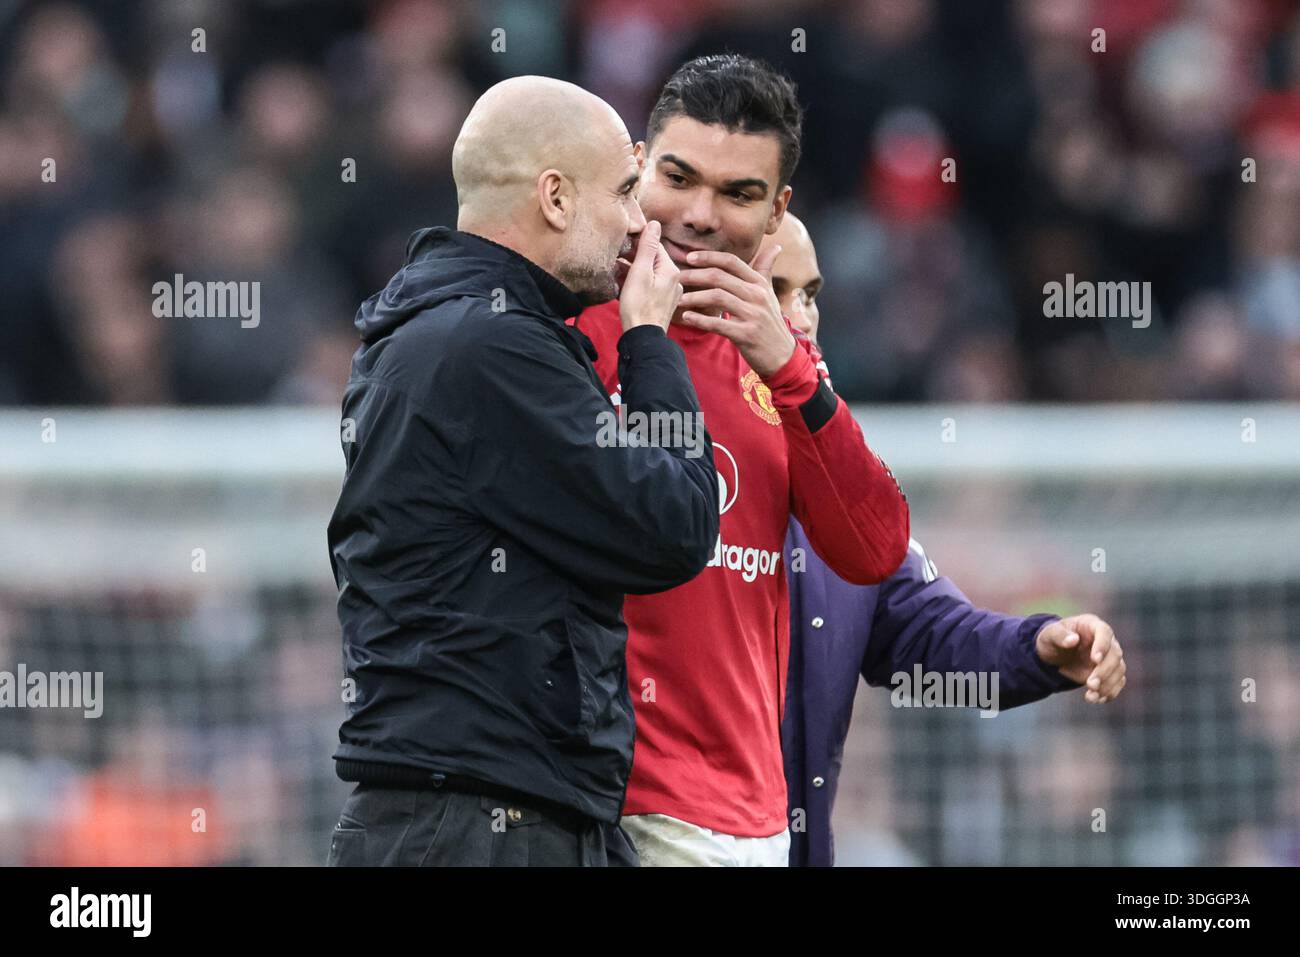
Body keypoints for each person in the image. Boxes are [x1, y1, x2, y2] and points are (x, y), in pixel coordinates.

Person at [326, 76, 720, 867]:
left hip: (485, 813)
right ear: (555, 198)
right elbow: (677, 523)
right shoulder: (494, 348)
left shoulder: (447, 333)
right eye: (622, 191)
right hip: (480, 824)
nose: (639, 222)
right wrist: (648, 340)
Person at [572, 54, 911, 866]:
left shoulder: (783, 364)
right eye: (677, 177)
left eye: (739, 193)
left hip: (755, 817)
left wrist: (790, 367)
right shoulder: (569, 325)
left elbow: (872, 549)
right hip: (608, 802)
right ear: (635, 167)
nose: (697, 213)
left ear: (777, 210)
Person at [761, 214, 1128, 866]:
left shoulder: (851, 503)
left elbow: (931, 633)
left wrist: (1039, 647)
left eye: (811, 294)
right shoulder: (666, 469)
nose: (800, 316)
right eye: (776, 289)